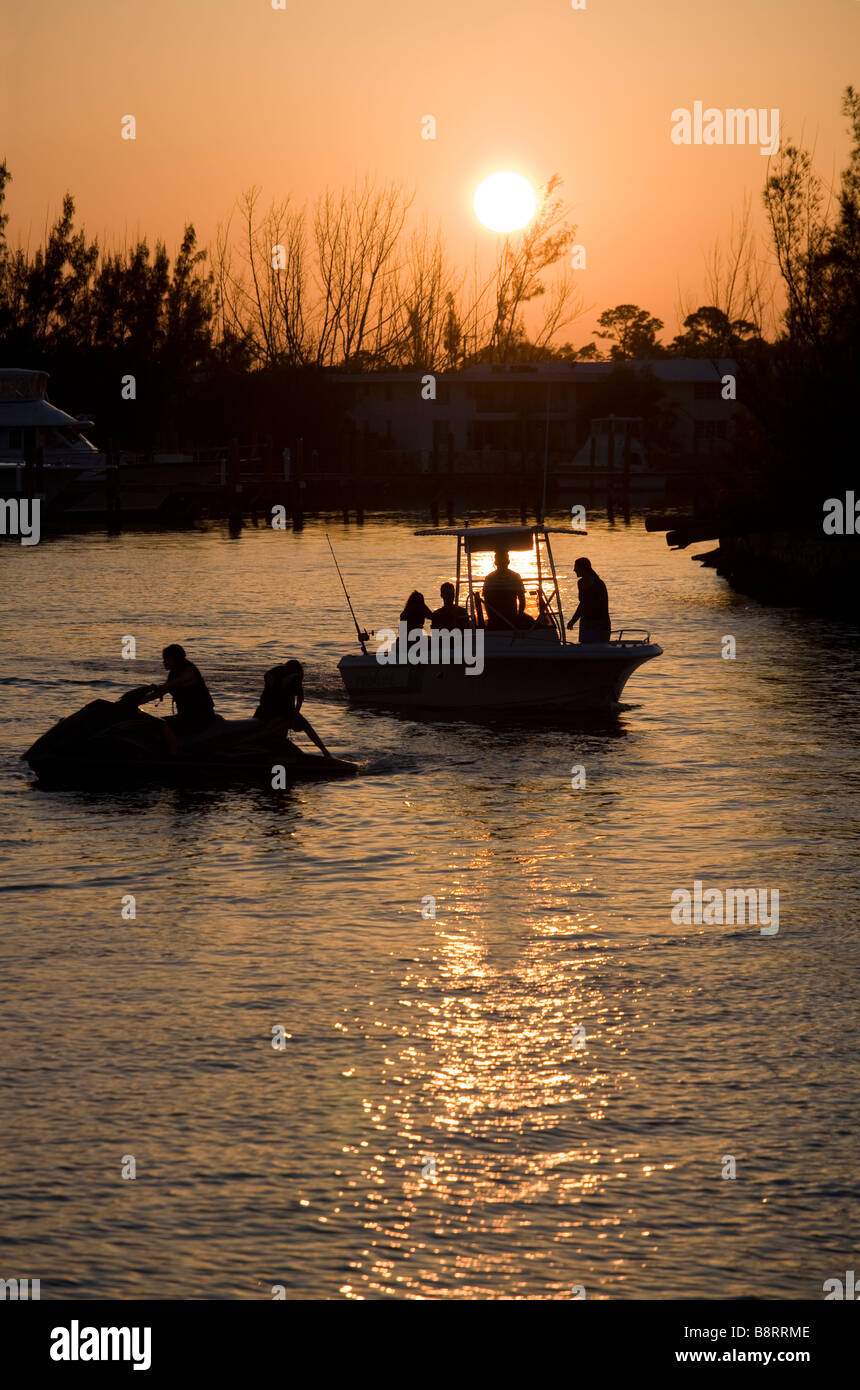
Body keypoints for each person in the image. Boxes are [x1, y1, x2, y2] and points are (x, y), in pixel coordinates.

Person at [143, 644, 217, 751]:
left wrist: (163, 687)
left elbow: (179, 681)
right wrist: (137, 702)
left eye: (165, 659)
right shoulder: (173, 673)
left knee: (163, 725)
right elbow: (159, 693)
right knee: (155, 723)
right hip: (186, 715)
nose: (163, 662)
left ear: (173, 658)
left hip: (200, 715)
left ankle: (173, 755)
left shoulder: (189, 669)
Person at [253, 660, 331, 758]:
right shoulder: (295, 676)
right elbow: (300, 698)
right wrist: (295, 714)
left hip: (264, 709)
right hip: (281, 709)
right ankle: (325, 753)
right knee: (306, 727)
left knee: (258, 728)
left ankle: (259, 748)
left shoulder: (275, 672)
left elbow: (267, 677)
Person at [566, 557, 611, 643]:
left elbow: (602, 607)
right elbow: (582, 604)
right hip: (586, 623)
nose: (574, 570)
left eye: (576, 567)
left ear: (583, 568)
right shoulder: (580, 583)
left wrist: (604, 627)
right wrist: (573, 620)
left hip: (599, 623)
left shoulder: (598, 583)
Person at [482, 549, 529, 630]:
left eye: (503, 561)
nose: (502, 564)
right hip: (498, 618)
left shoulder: (489, 578)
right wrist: (519, 616)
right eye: (501, 561)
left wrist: (519, 616)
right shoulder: (515, 577)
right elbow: (522, 600)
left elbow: (486, 602)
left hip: (508, 617)